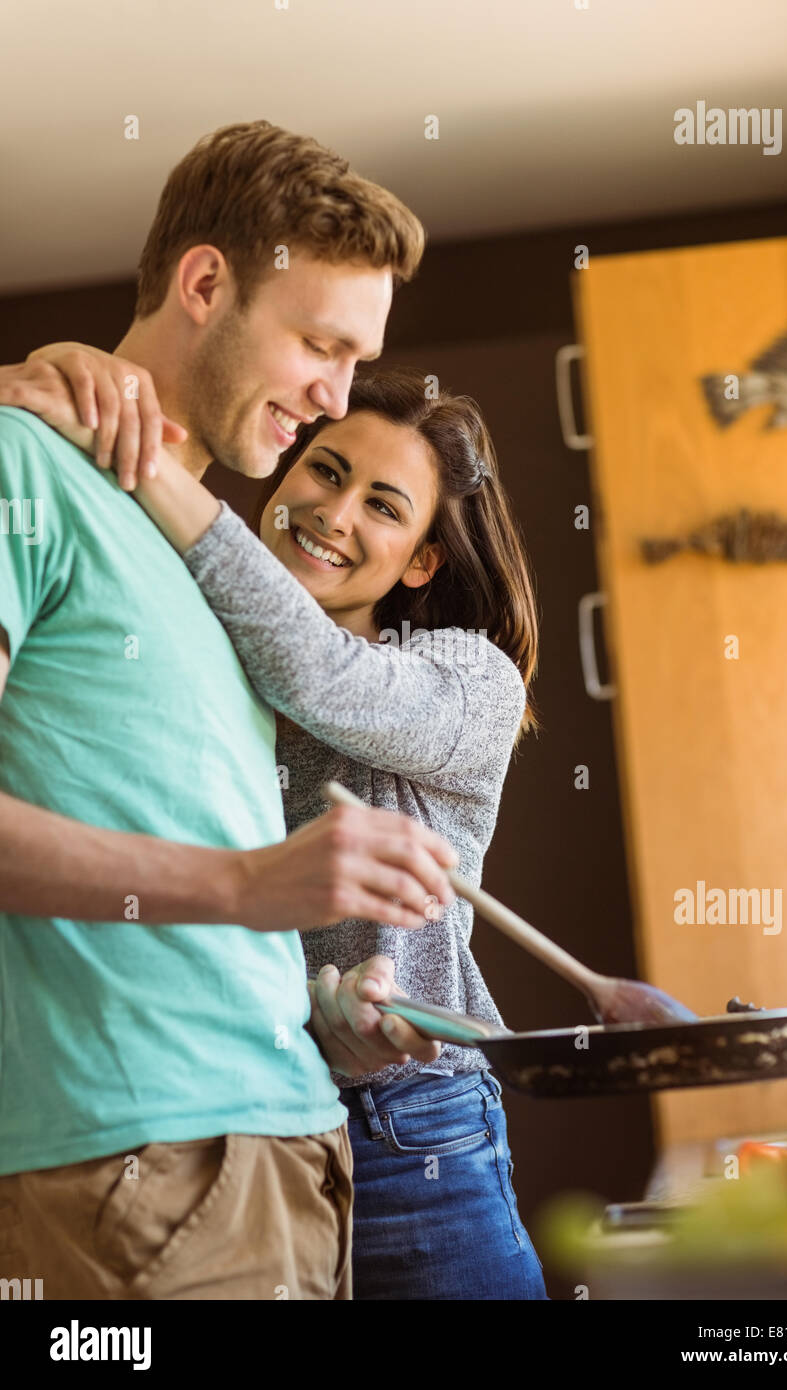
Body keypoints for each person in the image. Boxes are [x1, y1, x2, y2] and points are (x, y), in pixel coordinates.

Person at [0, 121, 461, 1302]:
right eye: (318, 343)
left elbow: (166, 869)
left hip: (293, 1155)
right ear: (204, 284)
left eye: (356, 360)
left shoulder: (204, 564)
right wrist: (253, 884)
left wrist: (324, 1016)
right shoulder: (22, 464)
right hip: (138, 1160)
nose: (332, 396)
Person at [8, 344, 550, 1300]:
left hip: (418, 1136)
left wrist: (147, 462)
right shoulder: (194, 644)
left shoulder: (467, 681)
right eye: (324, 473)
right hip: (262, 1115)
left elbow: (314, 670)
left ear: (422, 559)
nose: (333, 516)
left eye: (383, 507)